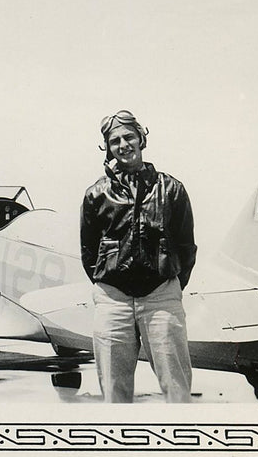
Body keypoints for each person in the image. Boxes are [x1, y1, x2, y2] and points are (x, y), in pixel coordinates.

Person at [80, 110, 197, 403]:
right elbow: (88, 251)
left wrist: (169, 286)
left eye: (129, 136)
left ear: (142, 138)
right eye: (115, 140)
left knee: (177, 390)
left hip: (161, 297)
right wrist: (108, 285)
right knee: (114, 394)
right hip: (112, 301)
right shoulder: (96, 195)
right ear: (107, 148)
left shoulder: (172, 189)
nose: (123, 145)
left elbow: (187, 246)